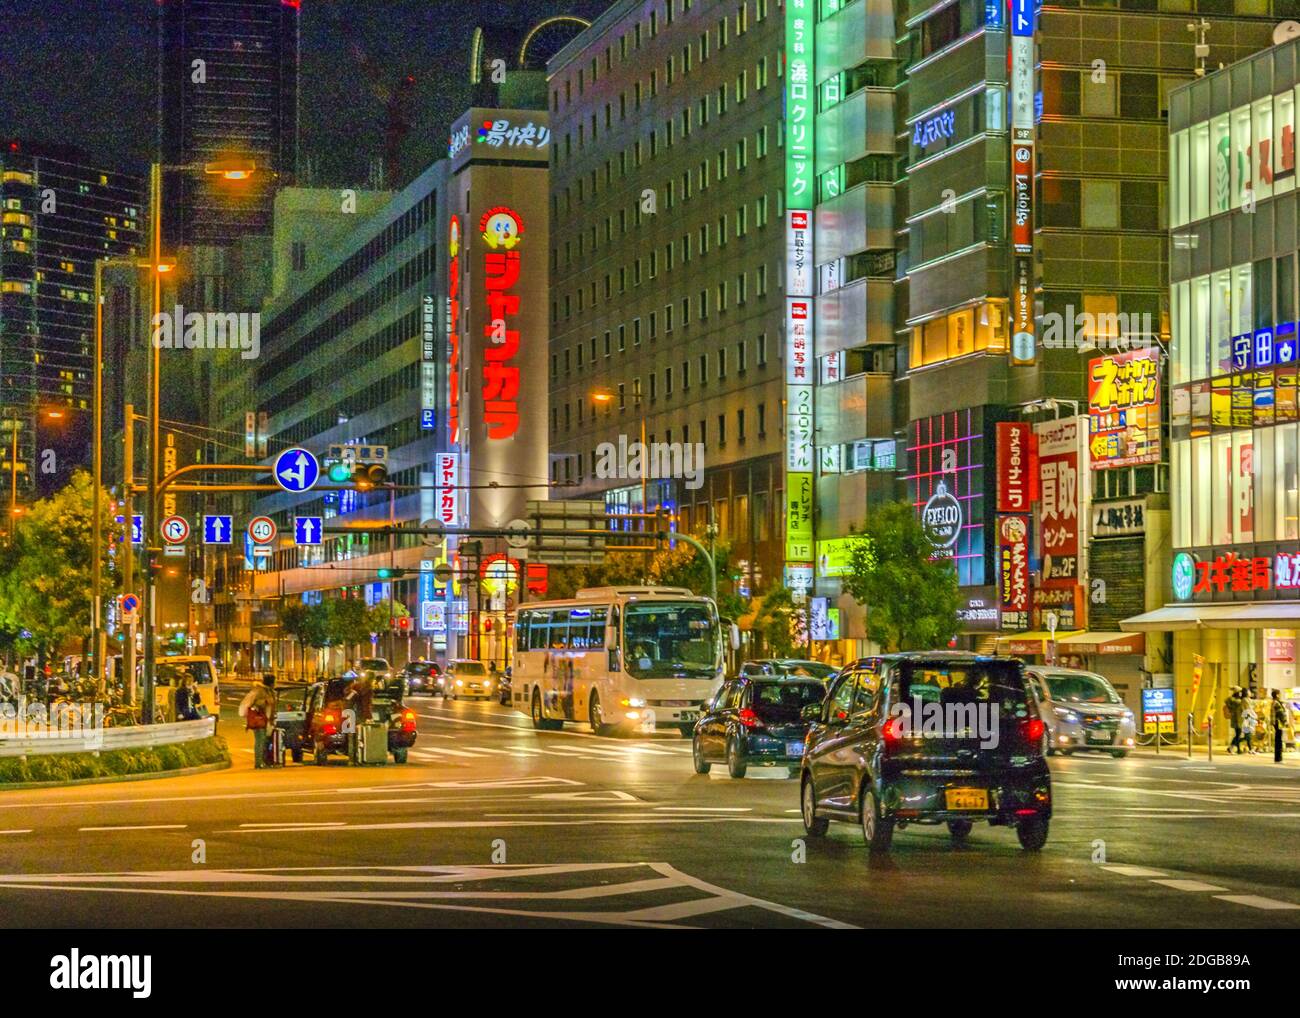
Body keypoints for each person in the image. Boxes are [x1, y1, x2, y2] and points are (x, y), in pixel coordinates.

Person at [239, 674, 278, 769]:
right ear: (271, 683)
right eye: (274, 682)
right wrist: (265, 702)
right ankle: (258, 763)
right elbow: (256, 703)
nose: (275, 684)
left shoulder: (269, 691)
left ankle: (264, 761)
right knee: (260, 741)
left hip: (266, 719)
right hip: (259, 719)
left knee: (264, 741)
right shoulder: (261, 691)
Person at [345, 671, 374, 763]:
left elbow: (346, 696)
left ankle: (351, 759)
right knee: (360, 736)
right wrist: (369, 717)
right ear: (371, 679)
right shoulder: (367, 688)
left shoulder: (356, 685)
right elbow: (366, 704)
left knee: (351, 736)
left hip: (347, 713)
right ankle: (359, 758)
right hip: (358, 714)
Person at [1226, 688, 1246, 754]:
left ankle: (1235, 748)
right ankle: (1233, 748)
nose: (1240, 694)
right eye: (1239, 692)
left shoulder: (1232, 700)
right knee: (1238, 734)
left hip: (1236, 719)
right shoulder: (1237, 701)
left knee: (1238, 734)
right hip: (1238, 719)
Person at [1272, 689, 1288, 763]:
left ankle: (1277, 758)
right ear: (1277, 695)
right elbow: (1281, 714)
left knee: (1278, 740)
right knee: (1279, 741)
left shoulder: (1274, 702)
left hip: (1276, 723)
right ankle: (1278, 759)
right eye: (1279, 694)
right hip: (1278, 723)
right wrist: (1285, 721)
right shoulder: (1277, 703)